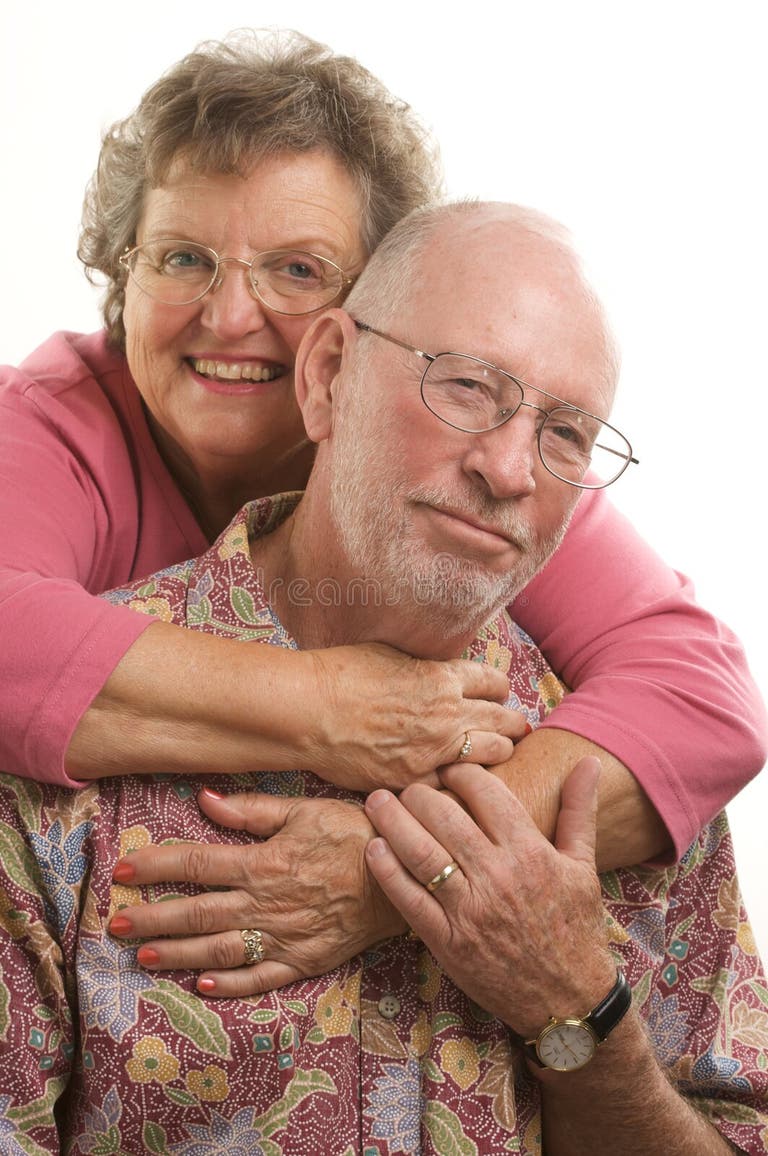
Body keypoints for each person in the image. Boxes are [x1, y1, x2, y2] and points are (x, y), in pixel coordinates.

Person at [0, 31, 765, 988]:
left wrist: (400, 866)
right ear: (125, 273)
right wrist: (329, 707)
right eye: (183, 257)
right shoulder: (49, 421)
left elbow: (705, 695)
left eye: (298, 270)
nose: (231, 317)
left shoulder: (469, 472)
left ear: (359, 323)